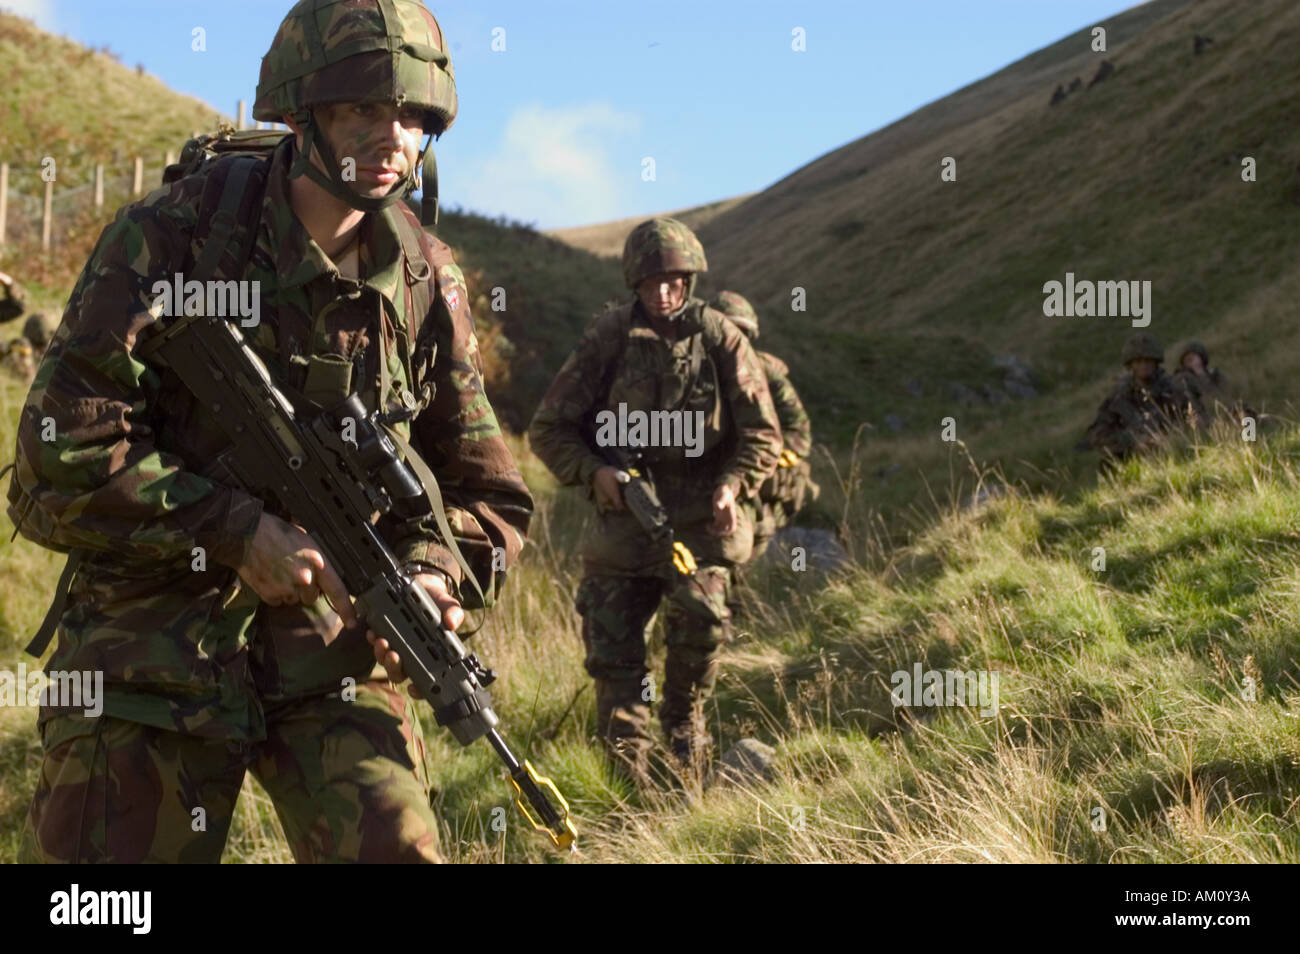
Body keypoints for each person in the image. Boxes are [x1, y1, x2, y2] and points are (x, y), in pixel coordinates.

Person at [4, 0, 532, 864]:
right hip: (148, 646)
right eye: (361, 107)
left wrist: (437, 577)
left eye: (410, 115)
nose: (390, 136)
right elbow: (59, 446)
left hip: (335, 651)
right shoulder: (171, 238)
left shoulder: (427, 282)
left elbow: (488, 492)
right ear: (299, 111)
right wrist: (233, 530)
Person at [528, 218, 780, 781]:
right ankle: (625, 774)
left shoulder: (720, 337)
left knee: (701, 618)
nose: (663, 294)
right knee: (613, 645)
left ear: (690, 280)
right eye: (651, 283)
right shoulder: (608, 338)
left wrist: (733, 484)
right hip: (624, 519)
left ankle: (684, 726)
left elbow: (764, 432)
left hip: (700, 518)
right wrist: (594, 473)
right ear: (633, 285)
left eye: (674, 281)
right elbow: (548, 429)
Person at [710, 290, 816, 560]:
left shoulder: (764, 374)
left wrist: (764, 456)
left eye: (739, 333)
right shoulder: (696, 374)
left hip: (757, 488)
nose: (732, 340)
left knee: (744, 563)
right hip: (710, 487)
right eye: (725, 331)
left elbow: (799, 432)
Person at [1082, 332, 1205, 466]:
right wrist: (1133, 441)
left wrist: (1172, 437)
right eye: (1138, 361)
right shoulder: (1120, 396)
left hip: (1173, 455)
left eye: (1148, 361)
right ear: (1131, 365)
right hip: (1135, 460)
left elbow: (1199, 420)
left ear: (1156, 362)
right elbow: (1097, 435)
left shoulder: (1173, 389)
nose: (1144, 365)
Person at [1171, 339, 1256, 425]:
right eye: (1188, 360)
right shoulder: (1183, 380)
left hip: (1226, 412)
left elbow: (1228, 395)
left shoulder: (1215, 375)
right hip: (1207, 419)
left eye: (1193, 358)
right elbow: (1198, 405)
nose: (1192, 362)